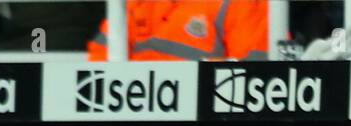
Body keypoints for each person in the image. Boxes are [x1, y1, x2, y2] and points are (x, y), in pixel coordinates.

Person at [88, 0, 270, 61]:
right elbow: (101, 62)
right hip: (137, 118)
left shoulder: (241, 4)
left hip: (206, 124)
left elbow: (254, 76)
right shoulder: (133, 4)